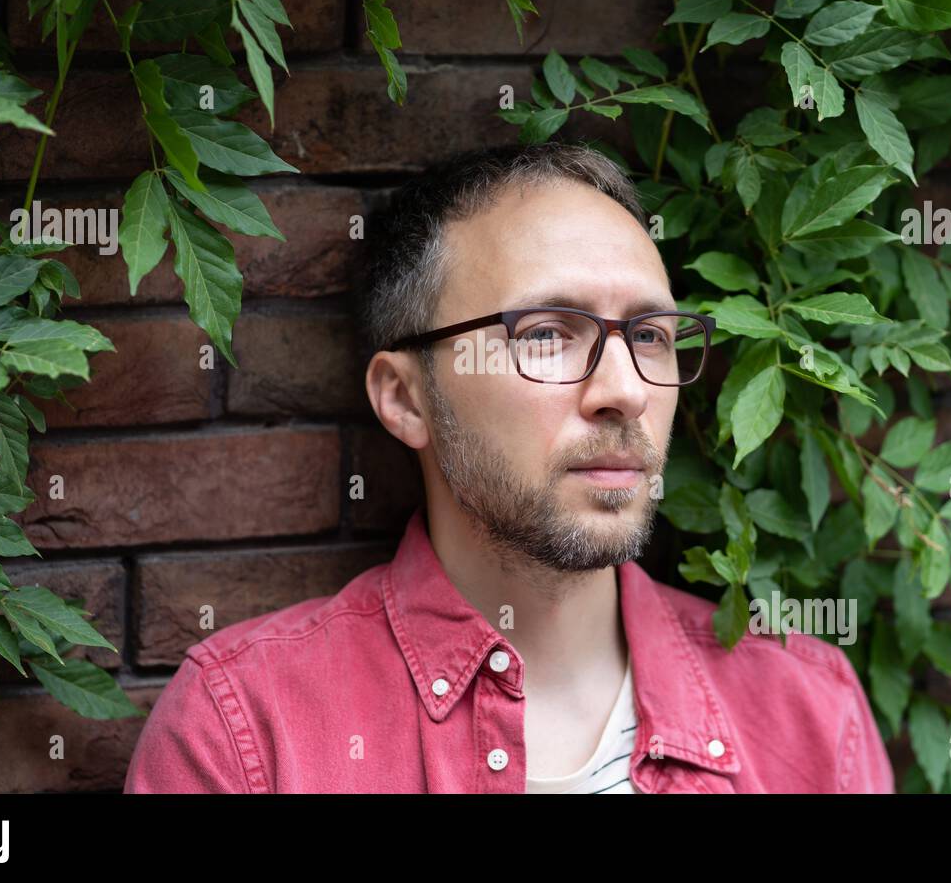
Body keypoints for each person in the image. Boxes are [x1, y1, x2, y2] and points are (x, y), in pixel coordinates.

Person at [123, 141, 895, 794]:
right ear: (406, 398)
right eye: (548, 333)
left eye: (651, 335)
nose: (625, 391)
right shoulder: (247, 732)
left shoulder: (809, 713)